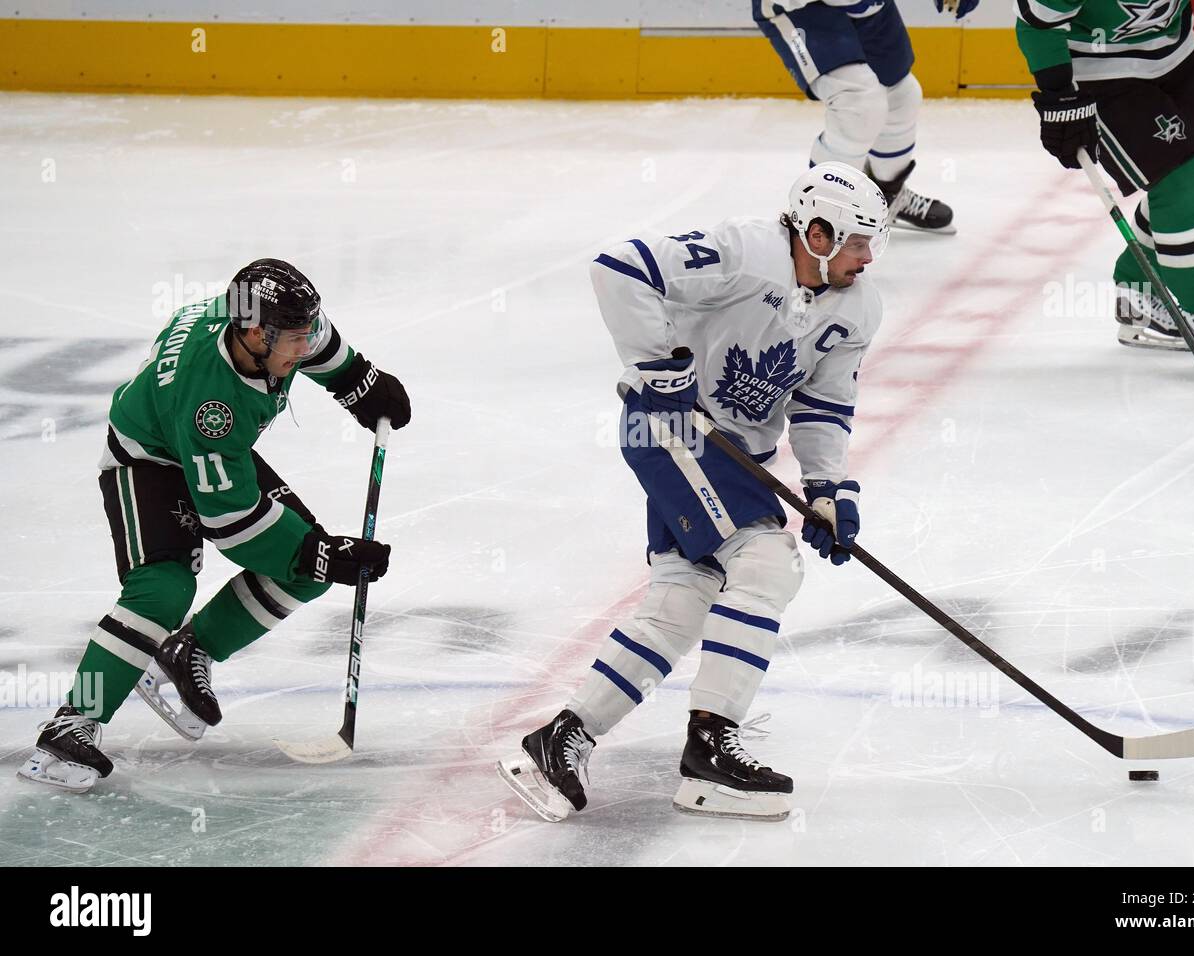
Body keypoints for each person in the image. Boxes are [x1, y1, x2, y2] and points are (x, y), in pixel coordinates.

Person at [499, 163, 887, 822]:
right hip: (673, 426)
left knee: (683, 599)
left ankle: (560, 739)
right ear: (818, 233)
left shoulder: (858, 306)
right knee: (766, 563)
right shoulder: (744, 252)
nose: (867, 257)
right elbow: (619, 267)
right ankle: (710, 748)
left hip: (734, 460)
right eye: (856, 241)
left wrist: (827, 487)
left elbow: (824, 401)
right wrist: (656, 365)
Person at [17, 259, 411, 792]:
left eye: (305, 332)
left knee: (306, 565)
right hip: (148, 460)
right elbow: (230, 523)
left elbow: (318, 340)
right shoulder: (212, 401)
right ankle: (71, 724)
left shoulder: (262, 322)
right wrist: (322, 553)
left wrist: (357, 382)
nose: (305, 347)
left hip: (208, 452)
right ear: (254, 333)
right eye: (294, 339)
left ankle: (190, 650)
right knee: (162, 589)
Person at [1018, 0, 1194, 374]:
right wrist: (1059, 96)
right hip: (1104, 76)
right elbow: (1036, 23)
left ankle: (1137, 290)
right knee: (1182, 186)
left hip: (1176, 58)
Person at [753, 0, 980, 234]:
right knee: (858, 105)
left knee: (901, 95)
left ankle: (887, 196)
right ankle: (818, 221)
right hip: (801, 6)